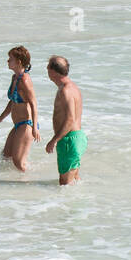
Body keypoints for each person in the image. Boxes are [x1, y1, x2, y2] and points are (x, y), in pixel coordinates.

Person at [0, 46, 40, 172]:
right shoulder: (15, 78)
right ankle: (12, 184)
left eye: (10, 59)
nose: (8, 61)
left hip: (26, 124)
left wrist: (35, 127)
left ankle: (27, 184)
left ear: (18, 61)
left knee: (18, 162)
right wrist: (0, 118)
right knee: (6, 157)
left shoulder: (25, 80)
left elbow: (33, 103)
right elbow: (13, 101)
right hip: (18, 125)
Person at [45, 56, 87, 185]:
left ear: (53, 71)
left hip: (69, 140)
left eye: (48, 66)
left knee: (65, 185)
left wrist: (54, 140)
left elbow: (70, 119)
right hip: (76, 137)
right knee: (74, 182)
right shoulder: (72, 86)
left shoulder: (65, 90)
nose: (46, 69)